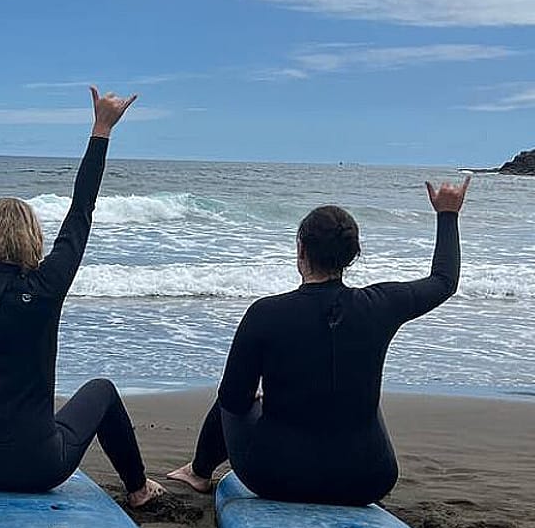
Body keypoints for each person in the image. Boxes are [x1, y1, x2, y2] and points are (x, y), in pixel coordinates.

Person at [167, 175, 472, 506]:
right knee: (360, 403)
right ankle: (200, 470)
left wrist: (256, 398)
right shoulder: (382, 304)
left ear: (301, 250)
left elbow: (233, 401)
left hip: (276, 477)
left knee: (232, 393)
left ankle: (198, 472)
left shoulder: (265, 313)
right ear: (352, 255)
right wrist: (447, 215)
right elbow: (444, 281)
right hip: (367, 479)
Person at [0, 86, 165, 508]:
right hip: (38, 466)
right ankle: (139, 490)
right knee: (103, 390)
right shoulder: (46, 288)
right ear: (33, 240)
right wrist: (101, 130)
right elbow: (80, 213)